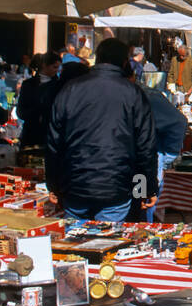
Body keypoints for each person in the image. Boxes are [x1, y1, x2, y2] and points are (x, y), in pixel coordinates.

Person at [47, 37, 157, 221]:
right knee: (107, 246)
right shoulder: (133, 93)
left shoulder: (70, 89)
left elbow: (53, 143)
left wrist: (54, 185)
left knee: (74, 247)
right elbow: (145, 147)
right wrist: (144, 190)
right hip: (115, 188)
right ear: (124, 62)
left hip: (76, 186)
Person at [145, 85, 187, 197]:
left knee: (141, 205)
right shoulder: (145, 94)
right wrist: (165, 159)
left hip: (137, 174)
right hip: (141, 172)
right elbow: (178, 122)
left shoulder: (145, 94)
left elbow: (178, 122)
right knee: (140, 208)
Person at [15, 52, 61, 150]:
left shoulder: (59, 85)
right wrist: (37, 112)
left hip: (50, 137)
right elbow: (20, 111)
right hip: (30, 135)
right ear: (45, 65)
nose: (57, 70)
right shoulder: (28, 84)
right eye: (54, 67)